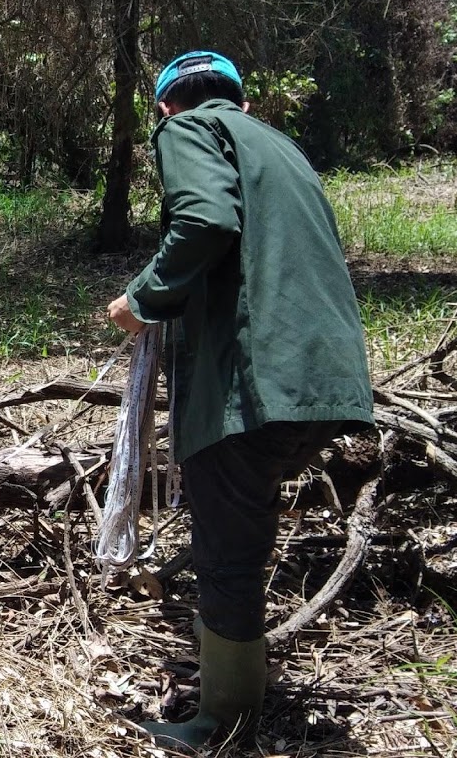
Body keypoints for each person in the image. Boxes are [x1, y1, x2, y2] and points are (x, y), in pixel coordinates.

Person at [106, 50, 374, 751]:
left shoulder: (184, 129)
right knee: (242, 537)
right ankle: (238, 693)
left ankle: (221, 724)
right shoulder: (280, 146)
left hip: (251, 384)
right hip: (326, 384)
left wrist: (142, 299)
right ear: (243, 102)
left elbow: (204, 220)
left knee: (225, 552)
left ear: (166, 107)